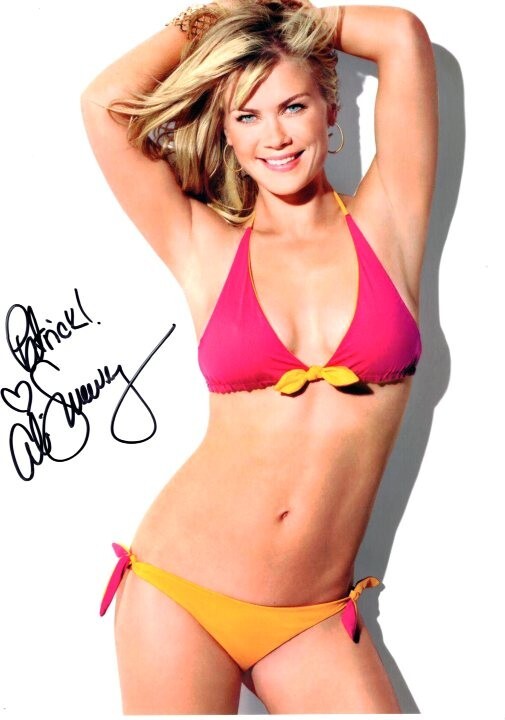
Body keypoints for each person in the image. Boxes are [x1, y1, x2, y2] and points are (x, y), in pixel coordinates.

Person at [81, 0, 438, 713]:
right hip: (182, 593)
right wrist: (226, 14)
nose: (274, 136)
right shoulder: (205, 247)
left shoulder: (389, 222)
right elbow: (104, 104)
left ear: (330, 112)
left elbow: (400, 36)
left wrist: (285, 21)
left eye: (293, 106)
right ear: (226, 132)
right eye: (246, 116)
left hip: (311, 620)